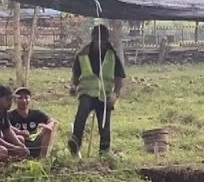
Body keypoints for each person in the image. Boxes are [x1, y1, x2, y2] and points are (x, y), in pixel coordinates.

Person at [69, 24, 126, 157]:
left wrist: (115, 94)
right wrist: (73, 86)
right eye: (97, 40)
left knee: (104, 124)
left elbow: (119, 77)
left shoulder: (112, 55)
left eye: (103, 41)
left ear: (107, 40)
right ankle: (75, 144)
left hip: (104, 95)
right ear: (92, 39)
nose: (100, 44)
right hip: (86, 93)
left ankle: (104, 153)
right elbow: (75, 75)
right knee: (81, 115)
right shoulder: (82, 54)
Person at [10, 87, 57, 158]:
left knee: (49, 129)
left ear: (30, 99)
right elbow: (6, 130)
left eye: (26, 98)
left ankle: (43, 157)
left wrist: (48, 126)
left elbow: (52, 121)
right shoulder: (10, 116)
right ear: (15, 100)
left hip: (35, 141)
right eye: (20, 98)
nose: (24, 100)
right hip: (19, 142)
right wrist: (19, 132)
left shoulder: (36, 113)